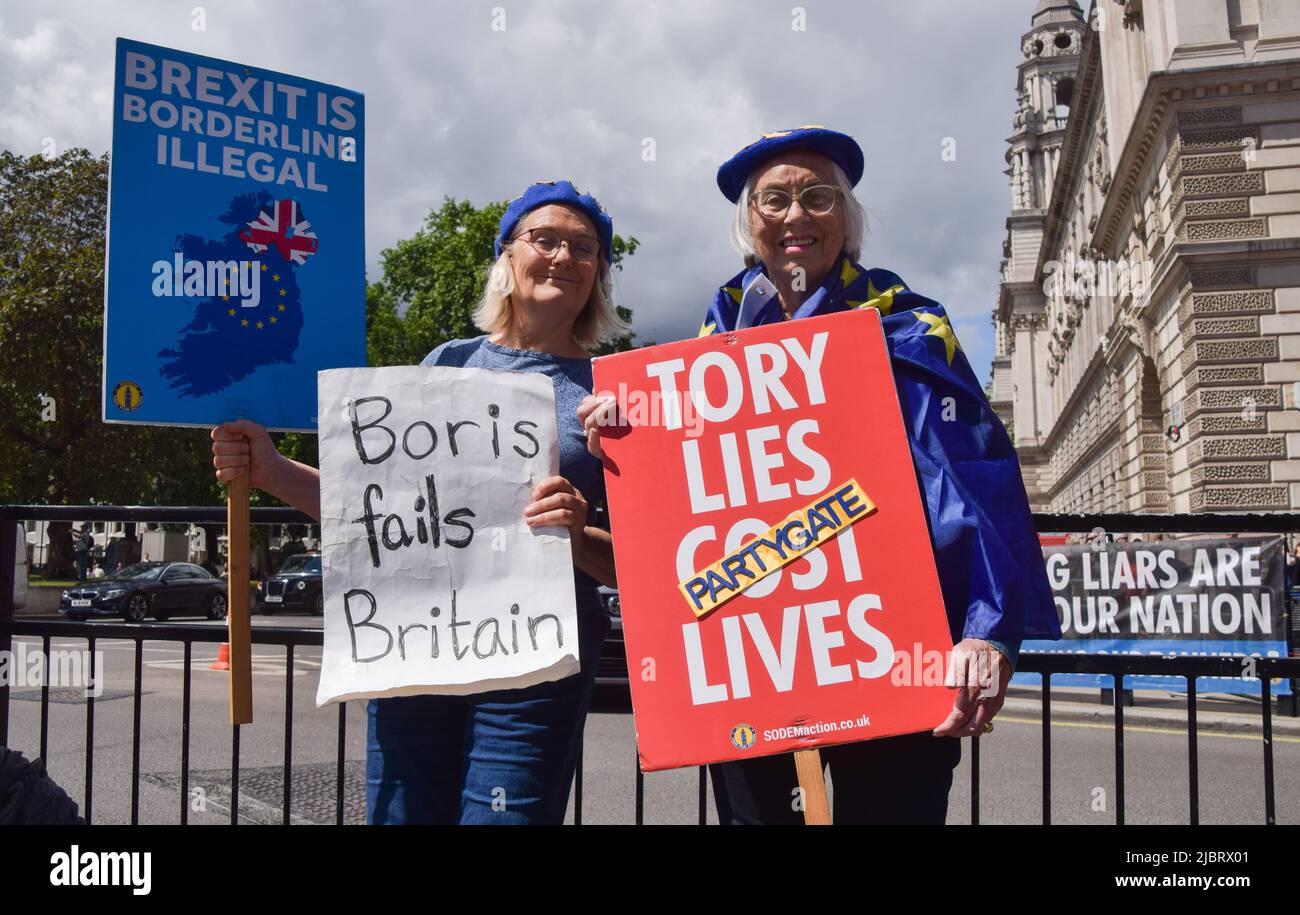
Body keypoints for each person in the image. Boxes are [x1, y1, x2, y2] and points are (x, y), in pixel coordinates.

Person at [582, 127, 1061, 824]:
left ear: (848, 217)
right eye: (773, 199)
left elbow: (977, 479)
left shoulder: (910, 329)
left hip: (892, 646)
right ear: (749, 223)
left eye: (817, 195)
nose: (796, 214)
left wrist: (990, 632)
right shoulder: (708, 348)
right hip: (752, 660)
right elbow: (684, 495)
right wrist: (627, 427)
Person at [211, 179, 625, 824]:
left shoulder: (614, 391)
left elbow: (636, 562)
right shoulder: (445, 363)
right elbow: (374, 515)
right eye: (543, 239)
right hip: (418, 649)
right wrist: (270, 470)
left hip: (538, 665)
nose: (564, 257)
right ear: (507, 258)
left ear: (597, 273)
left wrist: (574, 533)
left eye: (584, 248)